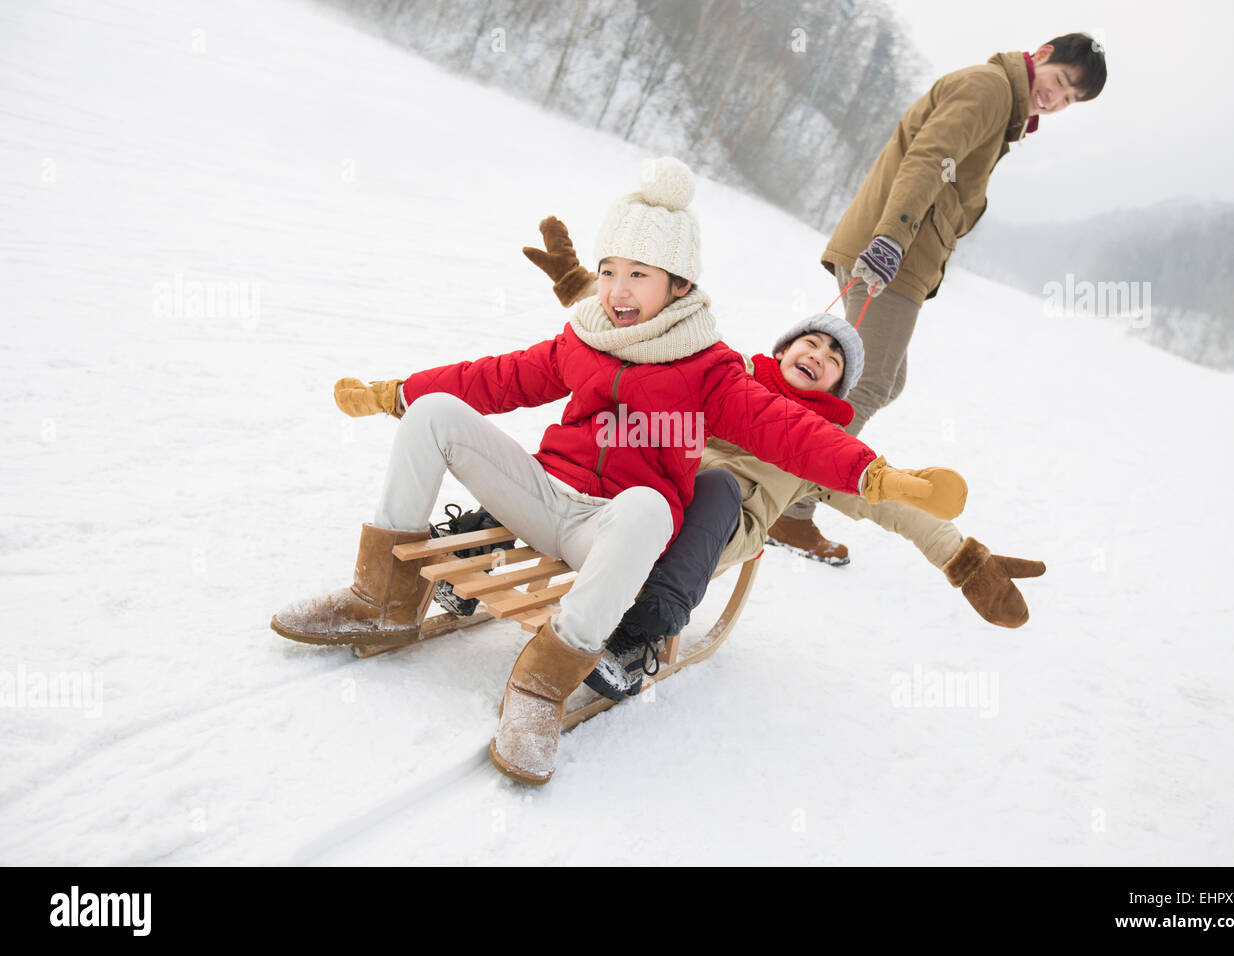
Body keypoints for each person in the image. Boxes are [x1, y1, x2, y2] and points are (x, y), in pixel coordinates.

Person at [270, 157, 966, 786]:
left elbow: (790, 430)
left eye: (637, 275)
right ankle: (382, 600)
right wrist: (397, 393)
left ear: (679, 283)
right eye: (609, 271)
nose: (616, 290)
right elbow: (499, 377)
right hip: (544, 495)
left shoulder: (713, 368)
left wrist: (875, 477)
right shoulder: (585, 335)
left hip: (605, 530)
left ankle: (543, 685)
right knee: (440, 414)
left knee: (654, 508)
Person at [523, 221, 1046, 701]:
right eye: (811, 342)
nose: (819, 354)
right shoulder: (731, 378)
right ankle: (502, 527)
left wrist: (965, 560)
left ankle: (639, 637)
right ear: (782, 351)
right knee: (611, 435)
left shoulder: (820, 448)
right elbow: (647, 342)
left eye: (833, 360)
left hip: (713, 526)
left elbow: (889, 504)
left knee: (720, 486)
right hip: (653, 487)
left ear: (837, 387)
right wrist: (577, 284)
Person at [766, 33, 1108, 563]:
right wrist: (890, 241)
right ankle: (785, 507)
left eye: (1069, 100)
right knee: (868, 383)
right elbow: (928, 159)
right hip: (892, 255)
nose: (1056, 100)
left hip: (901, 258)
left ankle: (778, 453)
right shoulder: (990, 89)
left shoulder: (1004, 106)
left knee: (883, 380)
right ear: (1041, 56)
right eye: (1060, 82)